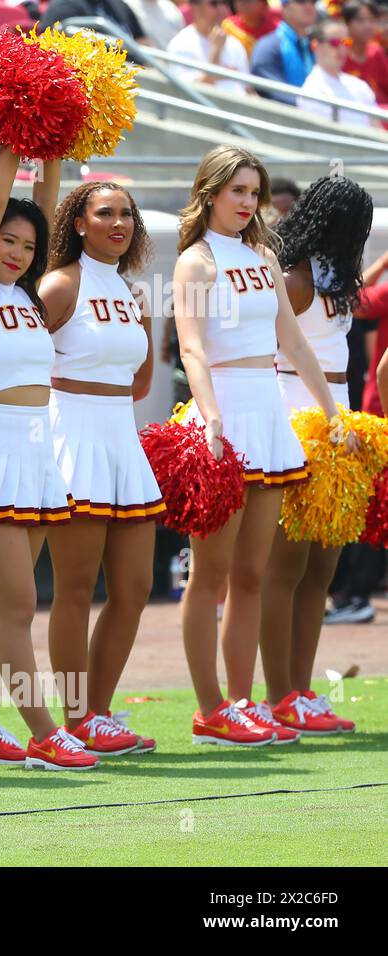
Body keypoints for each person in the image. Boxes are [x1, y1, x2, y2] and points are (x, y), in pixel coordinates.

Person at [173, 145, 346, 747]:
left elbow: (293, 343)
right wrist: (211, 415)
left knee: (250, 574)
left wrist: (330, 412)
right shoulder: (195, 262)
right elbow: (191, 347)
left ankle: (243, 703)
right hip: (222, 417)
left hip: (268, 416)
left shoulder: (264, 257)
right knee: (210, 575)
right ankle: (209, 709)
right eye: (237, 191)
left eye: (254, 192)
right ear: (210, 192)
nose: (247, 202)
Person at [0, 152, 100, 771]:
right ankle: (42, 731)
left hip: (37, 456)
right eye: (7, 240)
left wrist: (49, 148)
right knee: (19, 607)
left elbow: (47, 209)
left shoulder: (28, 297)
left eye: (28, 244)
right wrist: (10, 142)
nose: (19, 251)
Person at [39, 181, 163, 757]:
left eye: (127, 215)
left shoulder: (131, 292)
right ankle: (76, 716)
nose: (119, 223)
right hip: (73, 435)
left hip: (120, 437)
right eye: (105, 213)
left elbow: (141, 380)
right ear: (79, 222)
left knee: (135, 587)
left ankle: (101, 712)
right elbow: (13, 356)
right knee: (75, 586)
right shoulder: (61, 283)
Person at [258, 175, 372, 738]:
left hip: (341, 426)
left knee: (319, 573)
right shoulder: (293, 278)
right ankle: (278, 694)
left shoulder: (334, 279)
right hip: (297, 421)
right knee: (286, 568)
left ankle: (300, 692)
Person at [296, 18, 377, 127]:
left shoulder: (360, 86)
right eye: (335, 42)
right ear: (315, 45)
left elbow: (377, 129)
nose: (342, 49)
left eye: (346, 42)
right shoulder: (311, 91)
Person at [167, 0, 253, 96]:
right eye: (214, 4)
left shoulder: (235, 44)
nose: (222, 10)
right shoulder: (181, 44)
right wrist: (216, 52)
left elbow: (247, 89)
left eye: (224, 3)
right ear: (195, 7)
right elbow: (189, 94)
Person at [251, 0, 318, 105]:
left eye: (313, 2)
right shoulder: (268, 47)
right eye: (301, 1)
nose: (309, 6)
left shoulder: (317, 45)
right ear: (284, 7)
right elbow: (274, 91)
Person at [344, 1, 388, 105]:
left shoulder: (376, 51)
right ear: (347, 24)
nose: (368, 25)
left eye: (372, 20)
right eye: (360, 20)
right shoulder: (340, 53)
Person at [120, 0, 189, 49]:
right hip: (148, 66)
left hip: (175, 65)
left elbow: (183, 43)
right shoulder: (126, 7)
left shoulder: (171, 8)